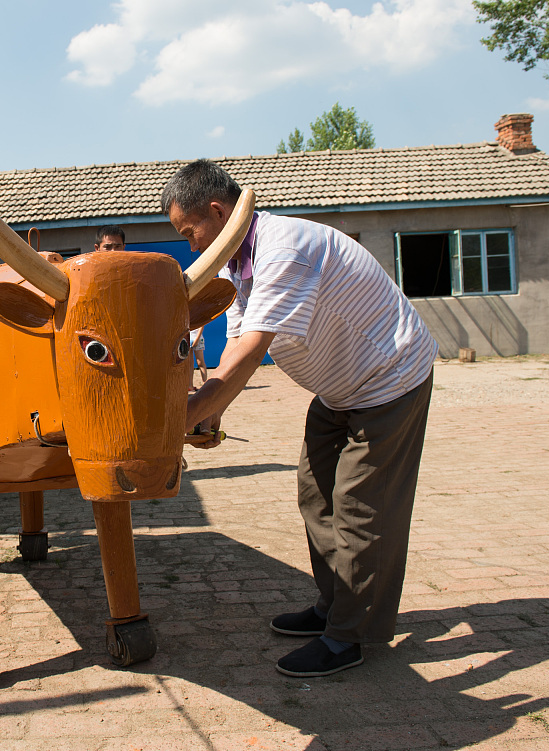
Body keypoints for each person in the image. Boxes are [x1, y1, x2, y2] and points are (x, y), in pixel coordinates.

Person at [164, 160, 438, 678]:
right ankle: (334, 605)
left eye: (189, 232)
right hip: (339, 392)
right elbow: (234, 349)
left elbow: (253, 349)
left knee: (361, 510)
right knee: (315, 495)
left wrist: (190, 414)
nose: (192, 246)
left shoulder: (283, 249)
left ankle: (347, 637)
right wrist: (207, 410)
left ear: (217, 211)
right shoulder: (236, 264)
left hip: (389, 382)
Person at [188, 326, 209, 390]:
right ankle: (190, 385)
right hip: (187, 339)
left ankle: (205, 383)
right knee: (189, 363)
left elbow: (201, 326)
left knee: (200, 362)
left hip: (197, 339)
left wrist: (197, 339)